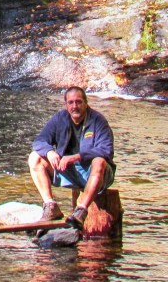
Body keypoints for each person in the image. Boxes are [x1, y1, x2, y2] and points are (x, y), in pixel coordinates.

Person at [28, 86, 115, 229]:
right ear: (66, 104)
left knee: (99, 161)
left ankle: (81, 211)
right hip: (69, 171)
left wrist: (75, 157)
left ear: (86, 103)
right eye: (71, 102)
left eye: (79, 102)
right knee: (34, 158)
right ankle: (50, 206)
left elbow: (106, 150)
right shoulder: (59, 119)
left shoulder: (98, 121)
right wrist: (50, 152)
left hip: (96, 174)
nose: (75, 106)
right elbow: (39, 141)